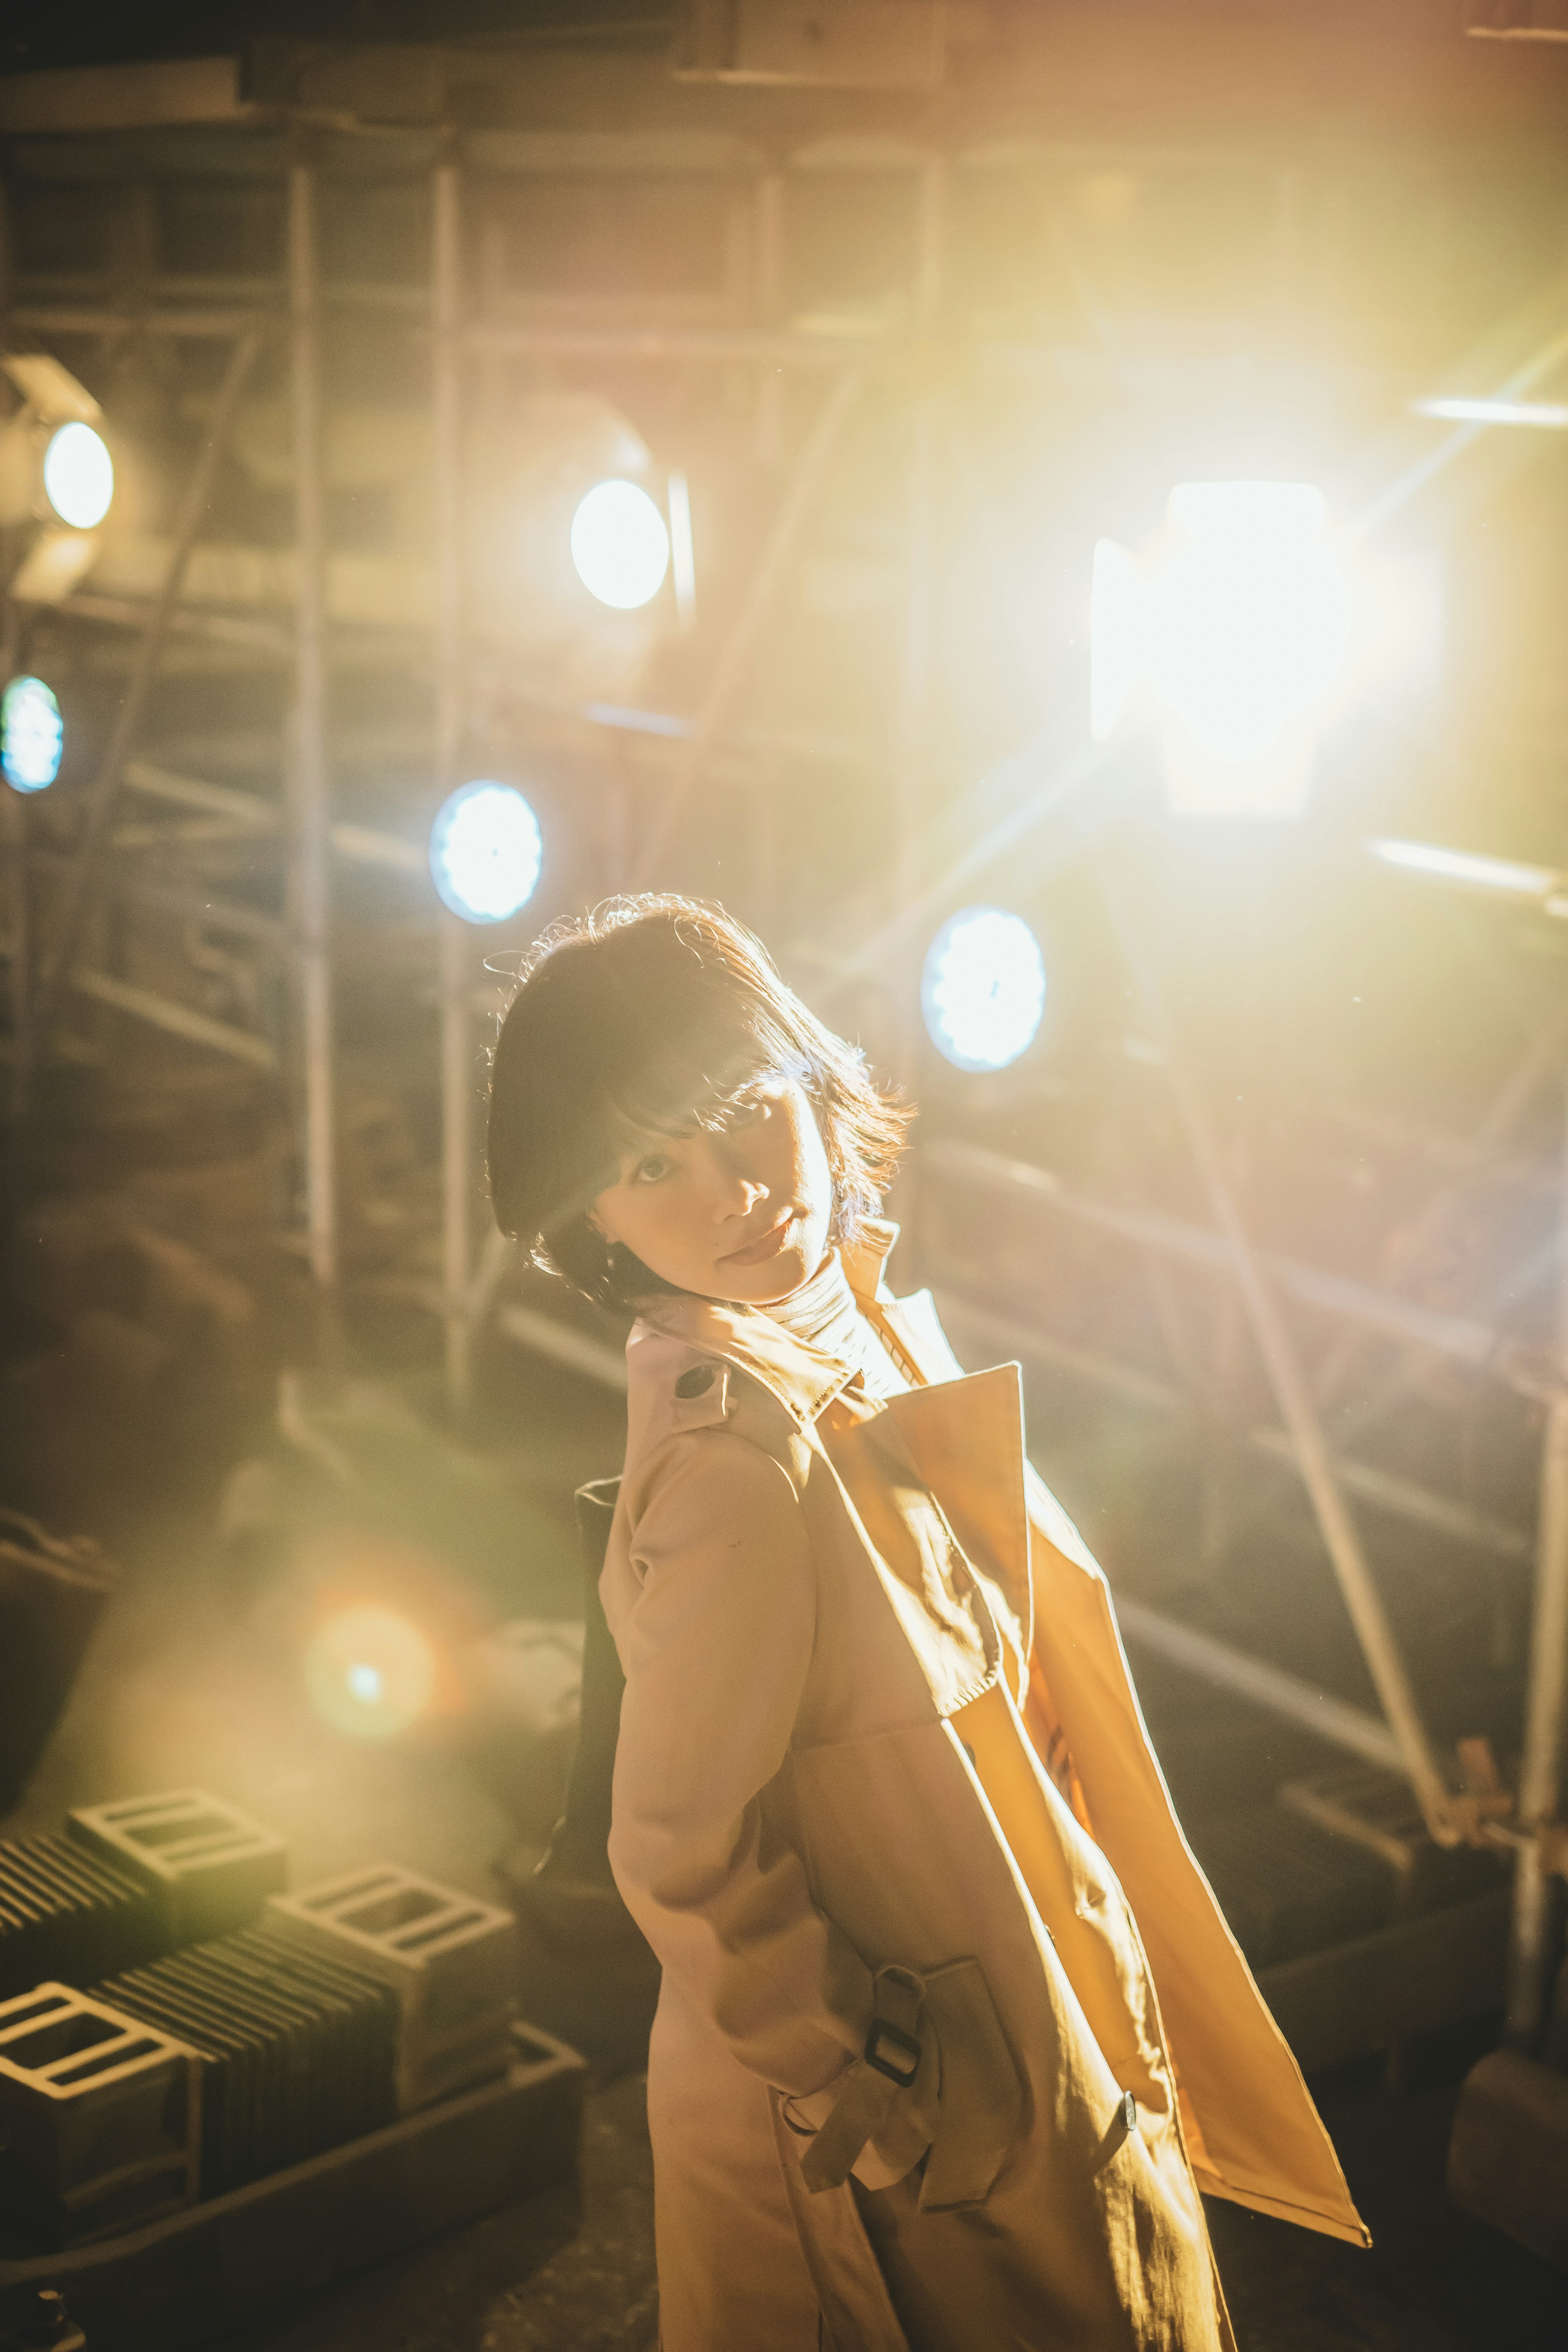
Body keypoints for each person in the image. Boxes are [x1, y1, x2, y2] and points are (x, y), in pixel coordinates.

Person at [487, 896, 1366, 2352]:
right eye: (651, 1162)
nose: (737, 1190)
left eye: (746, 1111)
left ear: (807, 1081)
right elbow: (678, 1850)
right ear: (593, 1218)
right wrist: (872, 2091)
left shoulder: (844, 1328)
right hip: (909, 2125)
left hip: (1009, 2026)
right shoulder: (737, 1467)